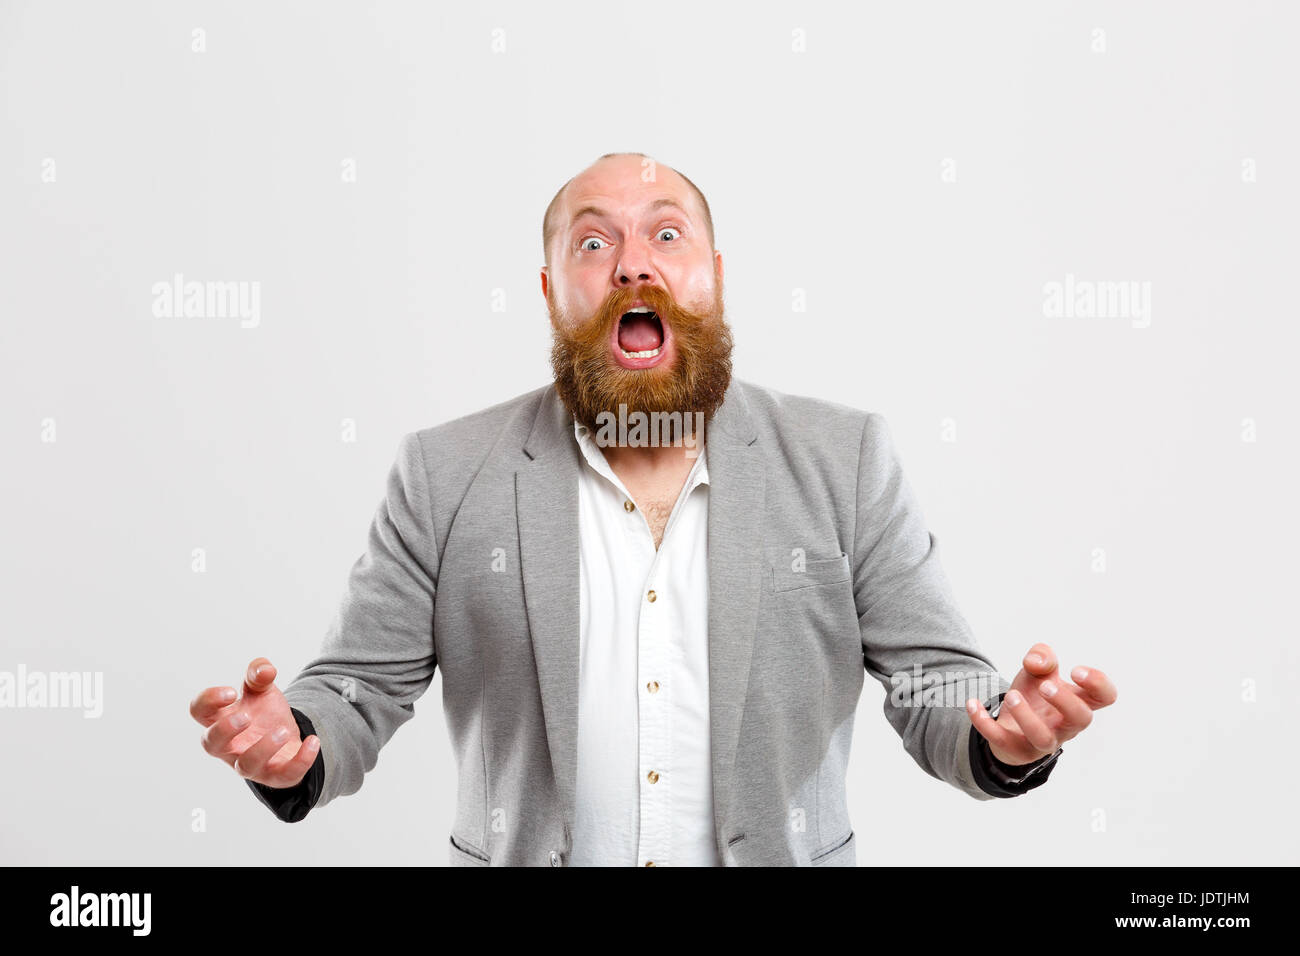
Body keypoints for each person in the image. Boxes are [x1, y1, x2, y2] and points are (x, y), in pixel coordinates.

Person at [189, 152, 1117, 866]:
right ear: (551, 293)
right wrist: (296, 740)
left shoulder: (846, 459)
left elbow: (935, 682)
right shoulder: (444, 473)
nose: (633, 265)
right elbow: (359, 686)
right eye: (593, 244)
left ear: (714, 275)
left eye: (666, 235)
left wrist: (1004, 733)